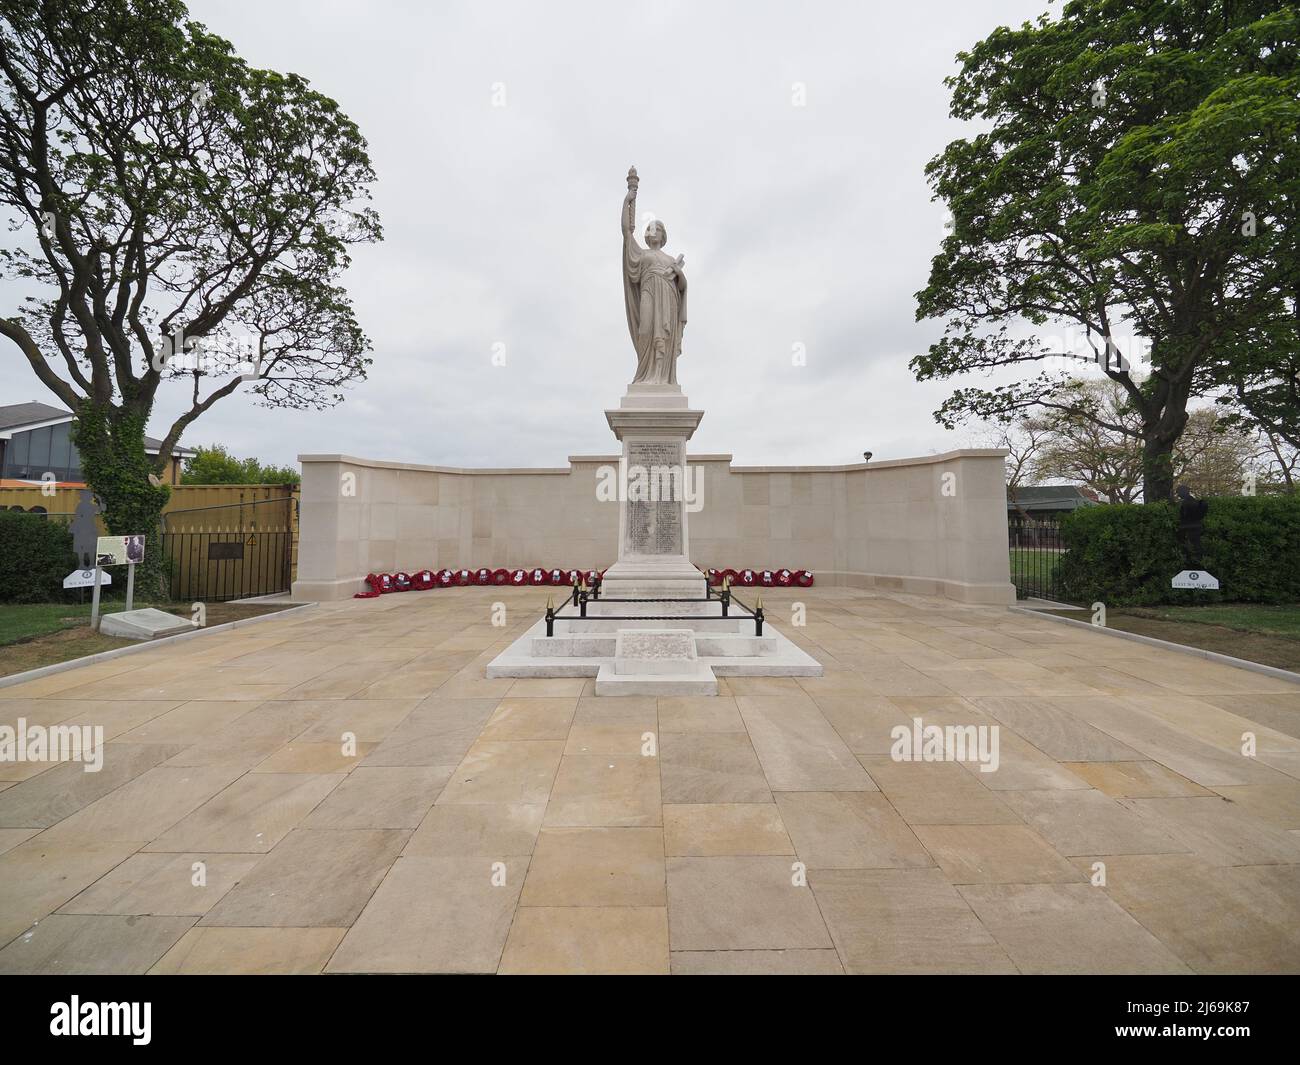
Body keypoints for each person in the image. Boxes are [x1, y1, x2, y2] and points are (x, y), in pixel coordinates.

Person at [621, 167, 688, 385]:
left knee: (664, 336)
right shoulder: (642, 254)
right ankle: (644, 375)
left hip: (668, 296)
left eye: (657, 229)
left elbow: (683, 286)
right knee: (646, 328)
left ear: (663, 234)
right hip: (649, 289)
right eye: (650, 229)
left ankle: (660, 377)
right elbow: (626, 232)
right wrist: (628, 199)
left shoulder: (670, 259)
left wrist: (679, 274)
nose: (653, 232)